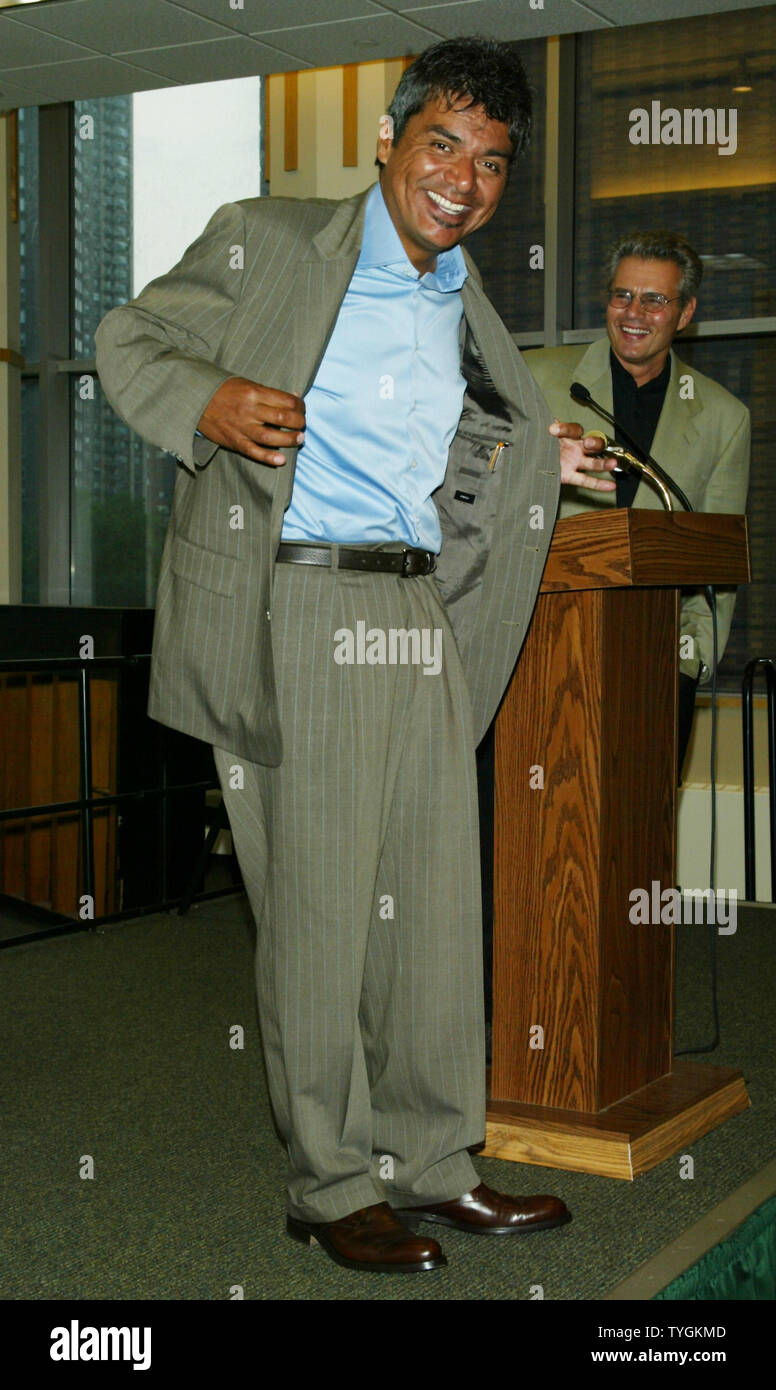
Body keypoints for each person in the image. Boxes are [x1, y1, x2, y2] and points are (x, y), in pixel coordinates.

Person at [95, 37, 611, 1276]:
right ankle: (329, 1182)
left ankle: (431, 1163)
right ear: (387, 140)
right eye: (442, 144)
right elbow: (124, 337)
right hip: (304, 606)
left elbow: (443, 447)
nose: (464, 178)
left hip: (416, 611)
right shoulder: (270, 236)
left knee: (435, 910)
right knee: (320, 915)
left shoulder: (462, 299)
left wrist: (537, 456)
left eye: (491, 162)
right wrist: (211, 396)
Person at [523, 230, 750, 777]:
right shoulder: (537, 378)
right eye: (622, 295)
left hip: (652, 670)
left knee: (637, 842)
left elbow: (713, 573)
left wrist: (685, 666)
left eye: (656, 300)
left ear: (686, 311)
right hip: (538, 654)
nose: (634, 313)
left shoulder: (723, 418)